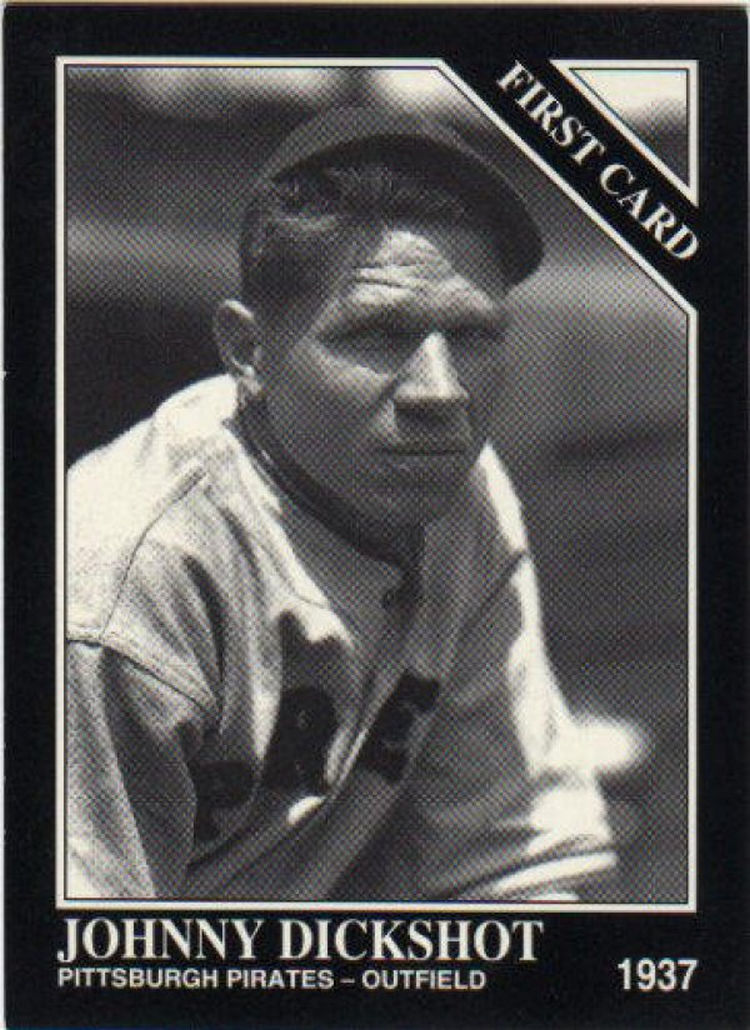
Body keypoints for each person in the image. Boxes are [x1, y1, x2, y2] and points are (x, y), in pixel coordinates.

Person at [66, 106, 615, 900]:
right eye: (379, 335)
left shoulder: (461, 495)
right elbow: (76, 954)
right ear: (249, 352)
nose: (442, 393)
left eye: (473, 335)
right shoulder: (122, 579)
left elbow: (517, 861)